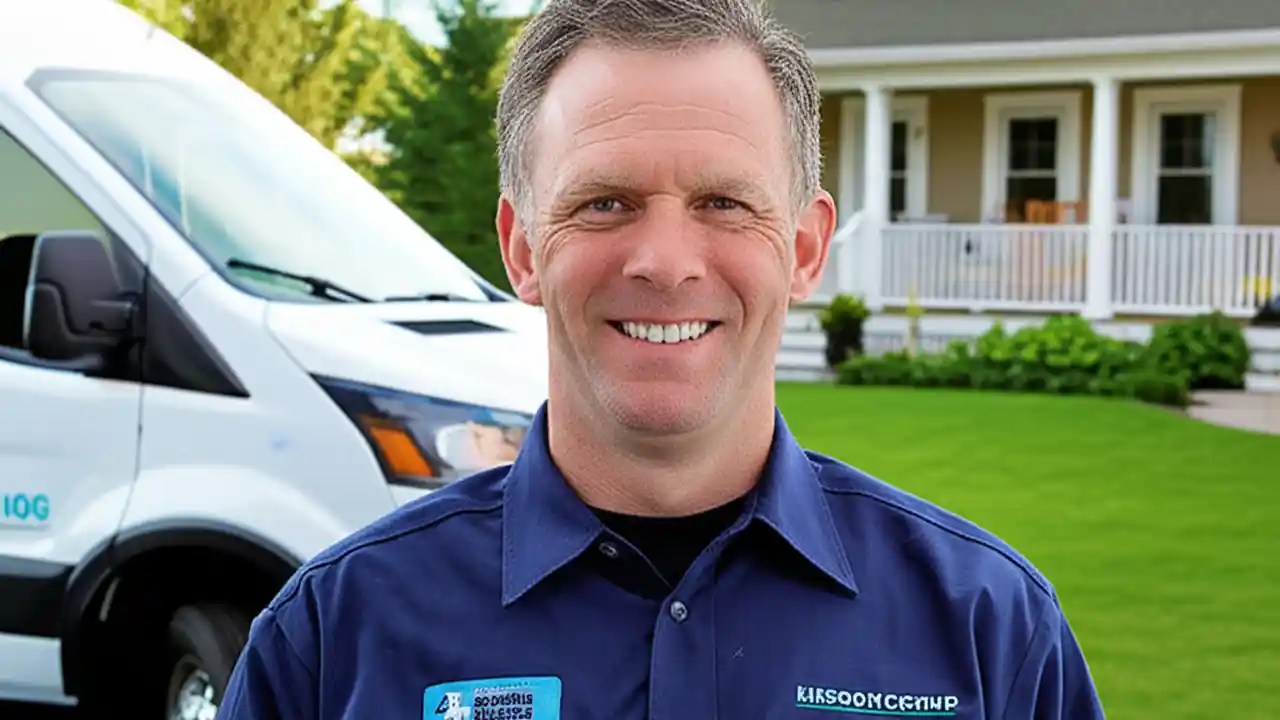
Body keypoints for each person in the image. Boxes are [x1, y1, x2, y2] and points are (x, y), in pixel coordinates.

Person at [217, 0, 1107, 717]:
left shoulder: (991, 631)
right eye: (605, 203)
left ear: (804, 247)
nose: (667, 262)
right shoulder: (336, 637)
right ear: (522, 248)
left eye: (725, 202)